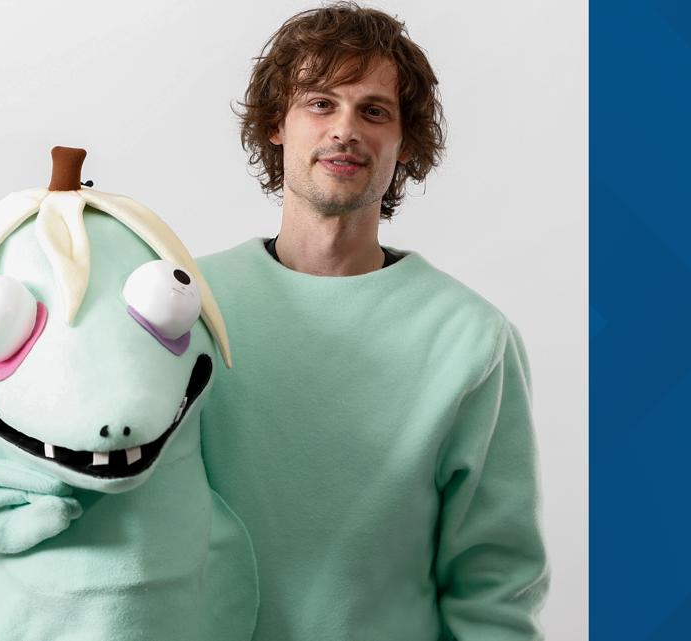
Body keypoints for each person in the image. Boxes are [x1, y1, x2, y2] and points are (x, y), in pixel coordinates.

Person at [195, 3, 550, 640]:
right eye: (320, 103)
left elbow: (494, 581)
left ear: (405, 142)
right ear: (277, 124)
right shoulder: (189, 305)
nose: (345, 130)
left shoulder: (471, 337)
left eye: (374, 111)